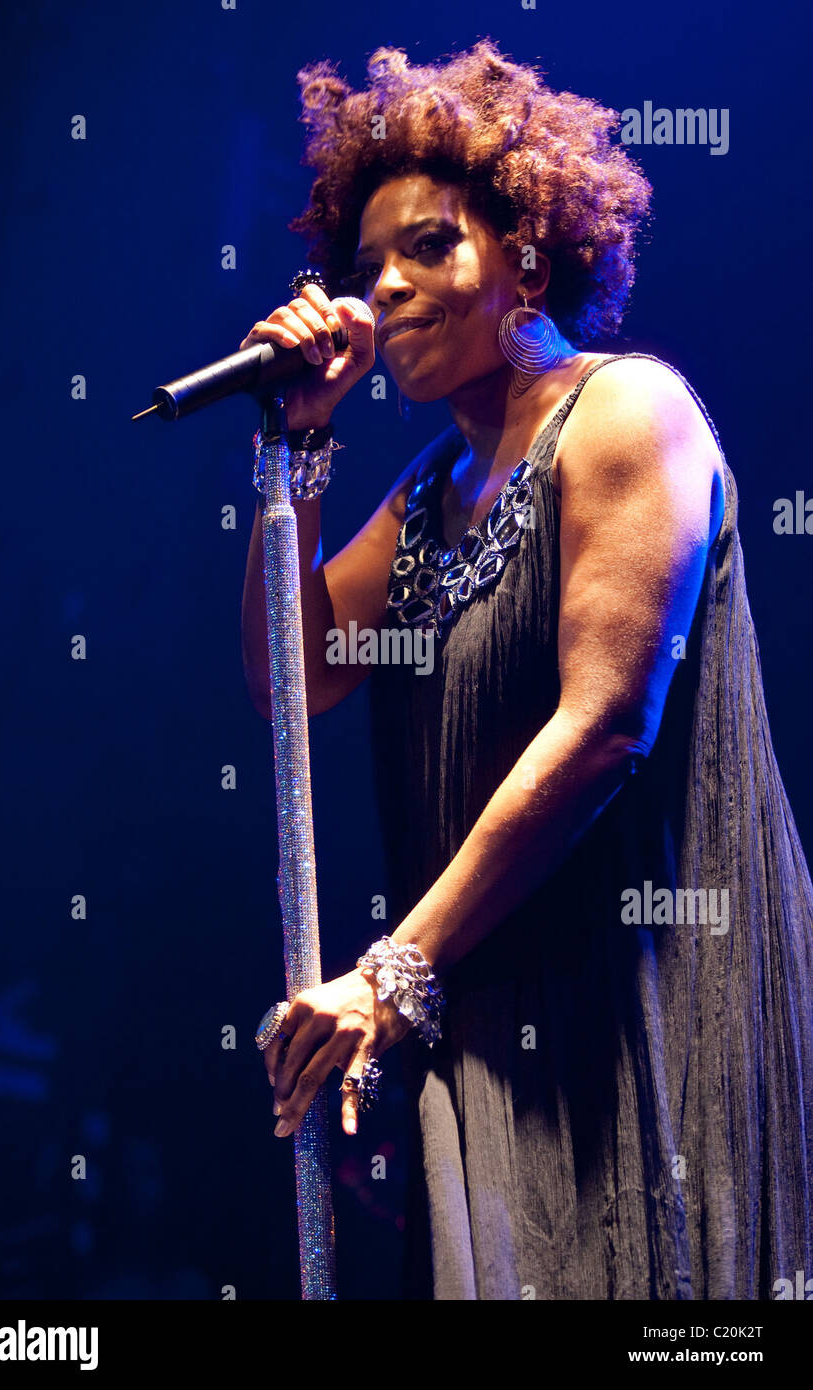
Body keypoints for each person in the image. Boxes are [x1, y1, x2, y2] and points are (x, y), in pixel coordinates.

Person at [241, 39, 813, 1299]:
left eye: (427, 247)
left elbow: (606, 722)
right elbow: (300, 674)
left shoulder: (624, 411)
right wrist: (294, 451)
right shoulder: (430, 488)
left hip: (632, 1010)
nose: (383, 286)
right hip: (487, 1013)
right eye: (366, 262)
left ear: (529, 258)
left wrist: (393, 972)